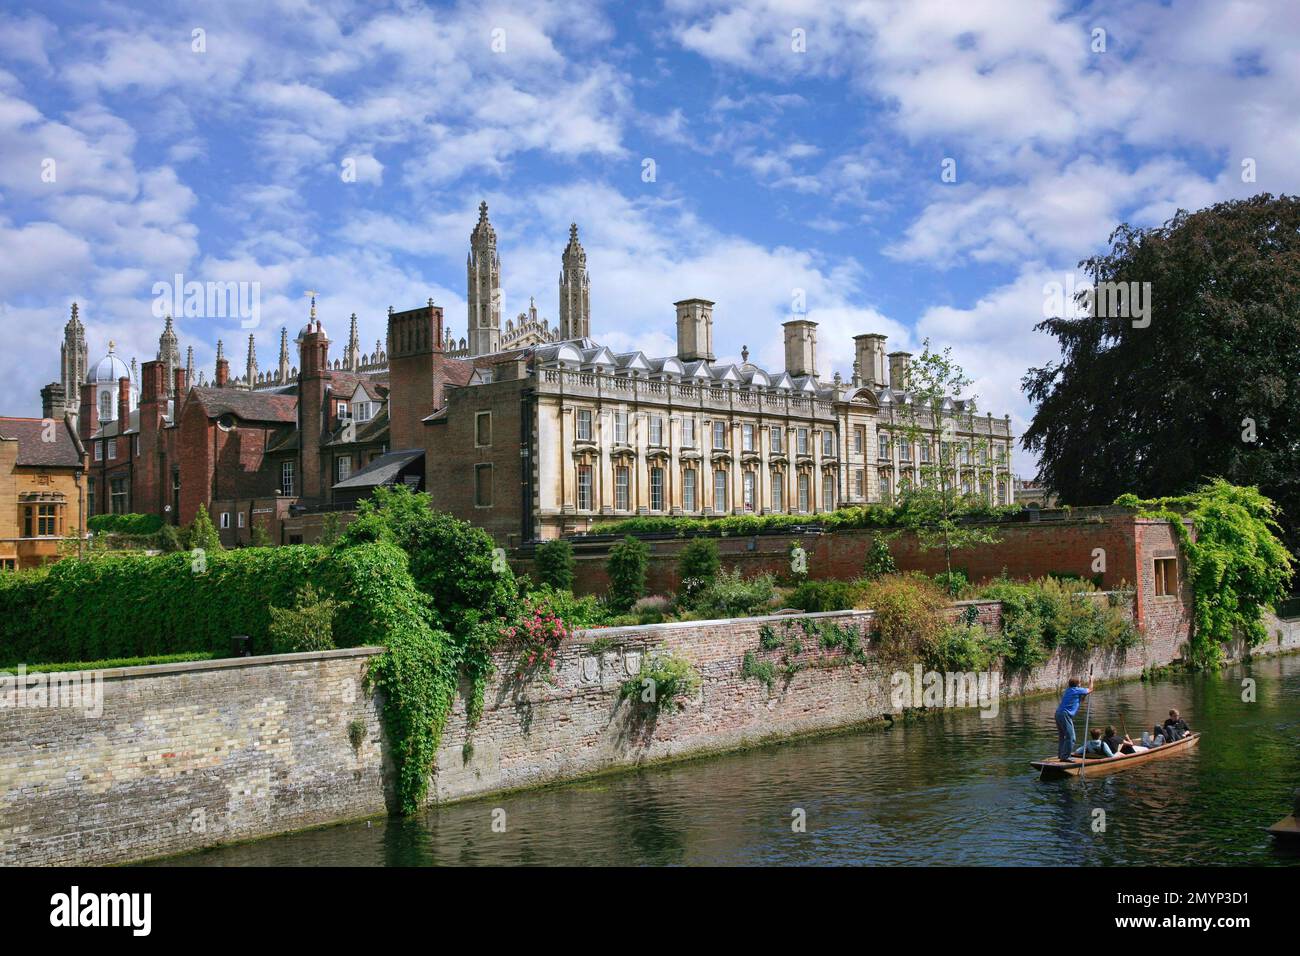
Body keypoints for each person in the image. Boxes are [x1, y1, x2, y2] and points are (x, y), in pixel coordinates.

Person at [1055, 677, 1091, 761]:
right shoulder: (1076, 690)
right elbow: (1090, 689)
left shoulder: (1068, 690)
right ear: (1077, 684)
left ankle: (1061, 755)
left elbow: (1081, 700)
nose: (1080, 684)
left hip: (1058, 714)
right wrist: (1091, 680)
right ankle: (1065, 757)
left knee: (1062, 736)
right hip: (1065, 714)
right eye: (1080, 683)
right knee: (1071, 737)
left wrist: (1084, 695)